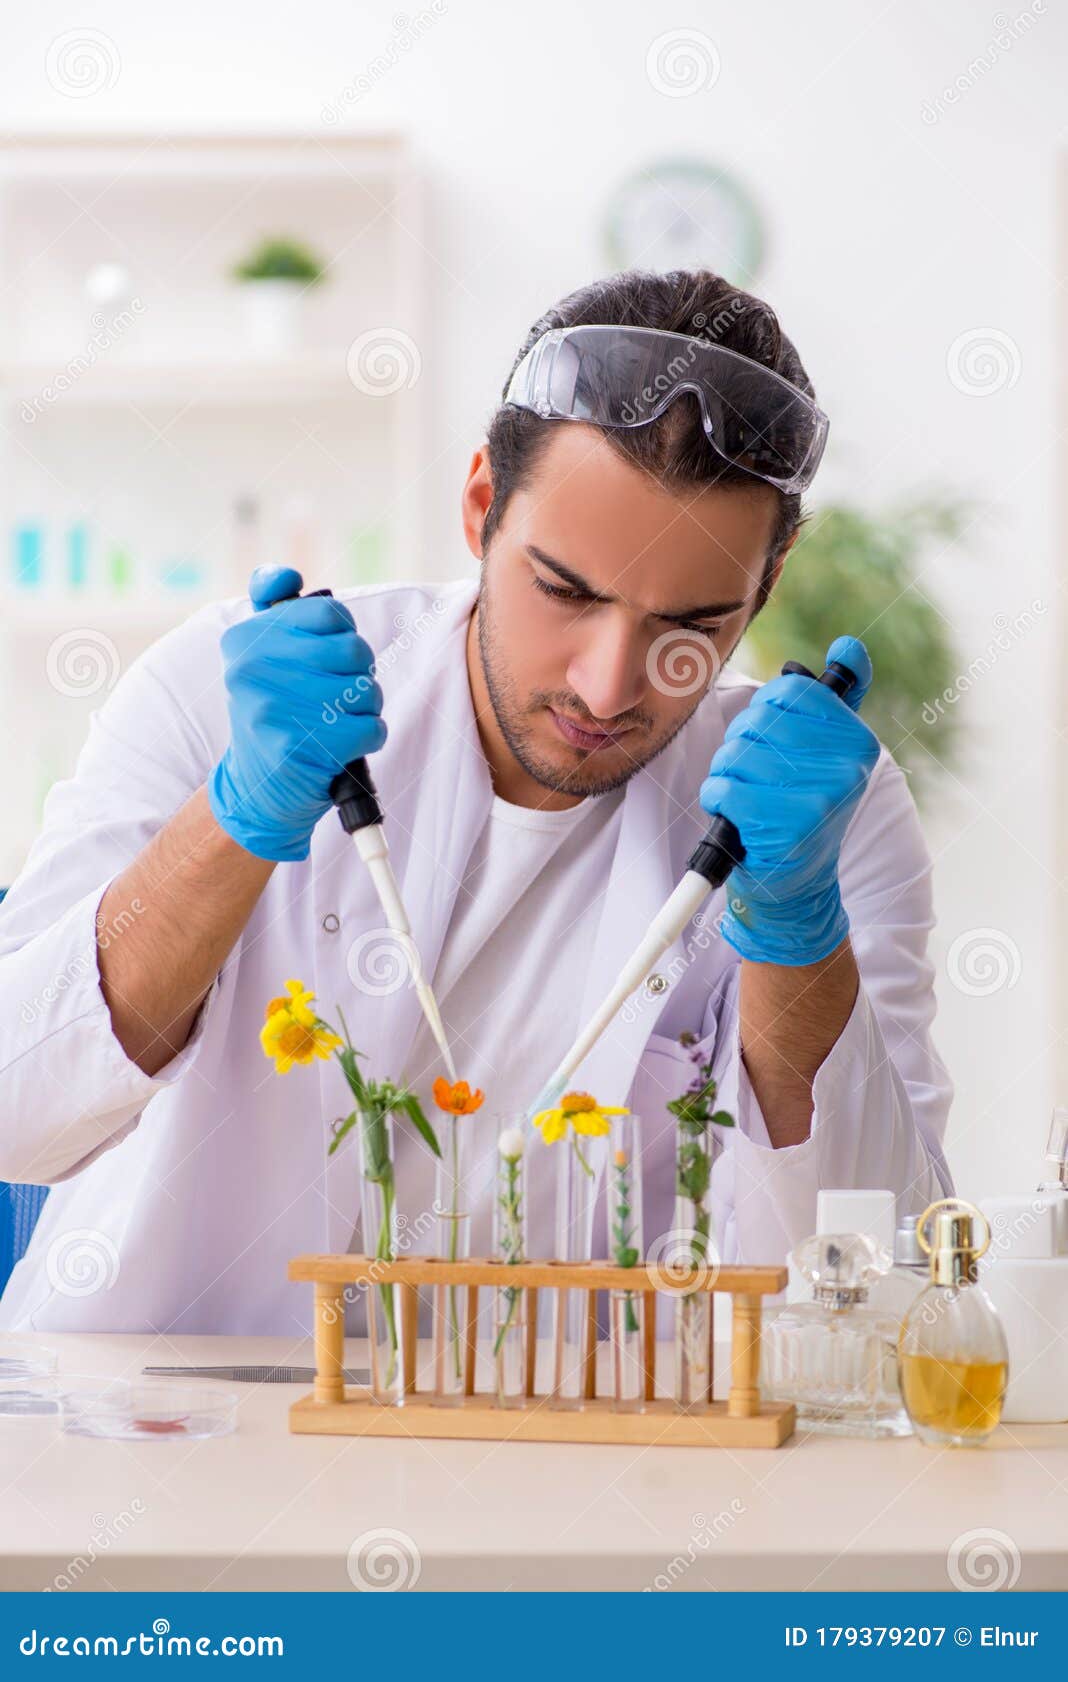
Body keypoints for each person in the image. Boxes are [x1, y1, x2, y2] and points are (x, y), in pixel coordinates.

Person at [0, 268, 951, 1334]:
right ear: (481, 508)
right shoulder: (229, 691)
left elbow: (877, 1284)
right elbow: (13, 1112)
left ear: (763, 592)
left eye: (690, 621)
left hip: (561, 1451)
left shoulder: (826, 809)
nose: (607, 684)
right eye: (568, 592)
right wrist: (237, 816)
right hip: (155, 1427)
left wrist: (795, 936)